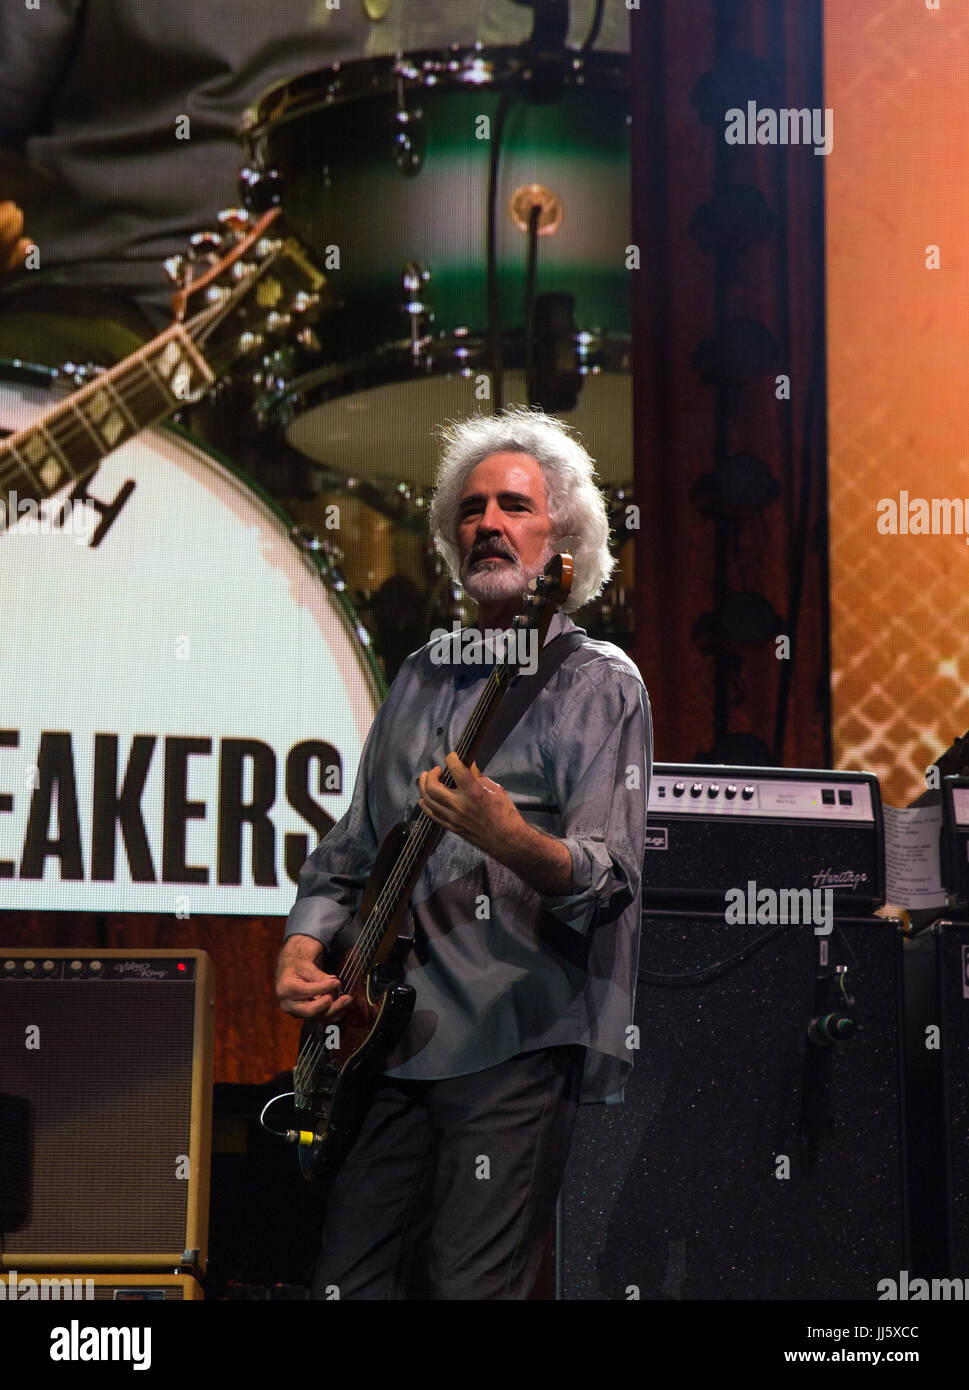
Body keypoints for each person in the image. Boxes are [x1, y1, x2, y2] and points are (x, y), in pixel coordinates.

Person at [275, 406, 651, 1299]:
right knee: (346, 1280)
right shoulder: (418, 674)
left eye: (515, 505)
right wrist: (301, 943)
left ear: (563, 537)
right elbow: (353, 846)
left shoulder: (598, 684)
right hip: (389, 1043)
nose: (488, 522)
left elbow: (610, 877)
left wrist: (509, 837)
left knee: (470, 1288)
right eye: (473, 507)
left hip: (513, 1040)